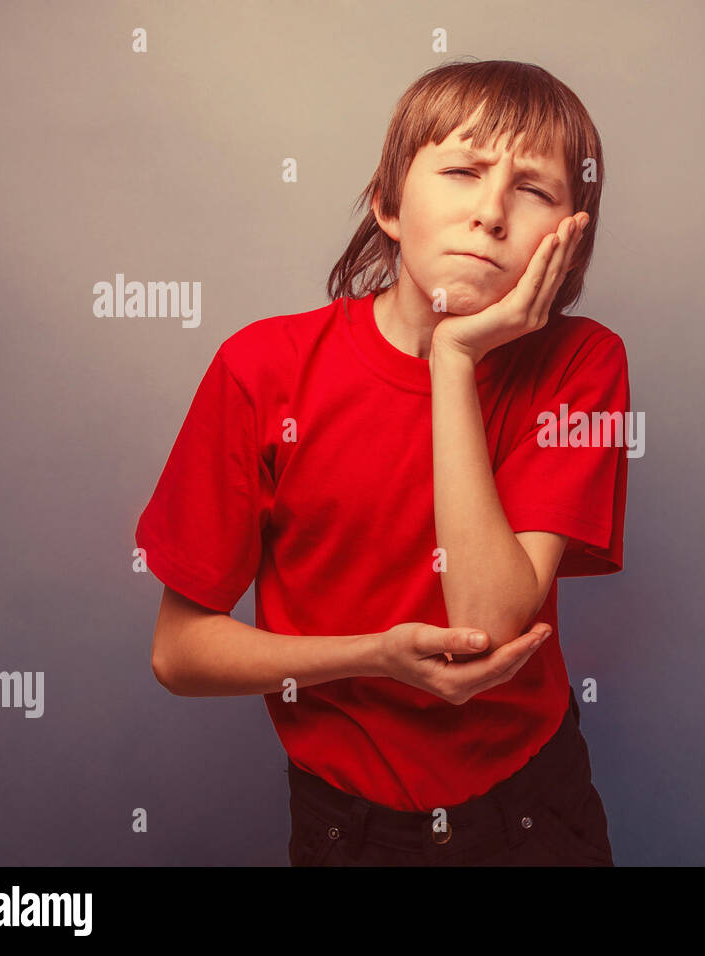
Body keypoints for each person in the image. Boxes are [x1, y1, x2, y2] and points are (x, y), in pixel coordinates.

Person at [135, 59, 629, 866]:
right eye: (463, 171)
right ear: (389, 205)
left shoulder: (583, 364)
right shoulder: (261, 370)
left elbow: (488, 622)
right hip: (347, 829)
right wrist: (372, 656)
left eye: (534, 189)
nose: (492, 213)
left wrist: (455, 357)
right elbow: (179, 653)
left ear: (570, 240)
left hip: (533, 813)